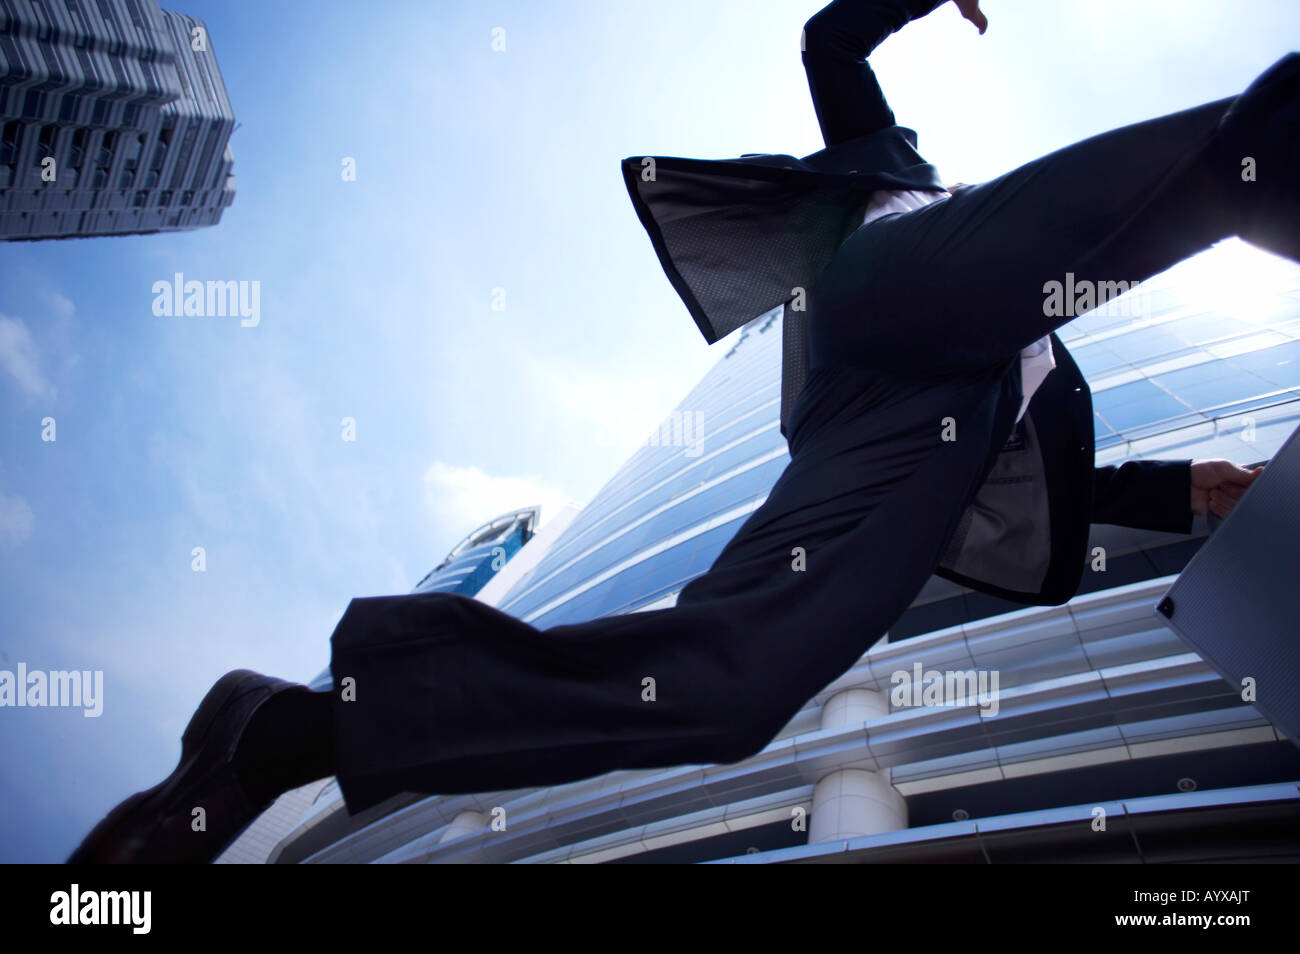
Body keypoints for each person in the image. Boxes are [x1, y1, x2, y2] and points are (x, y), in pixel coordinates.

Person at [69, 0, 1291, 863]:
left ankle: (288, 730)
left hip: (929, 430)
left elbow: (1063, 485)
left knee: (730, 687)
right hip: (881, 318)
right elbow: (829, 39)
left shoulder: (1045, 374)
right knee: (1223, 167)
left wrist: (1189, 490)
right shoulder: (901, 176)